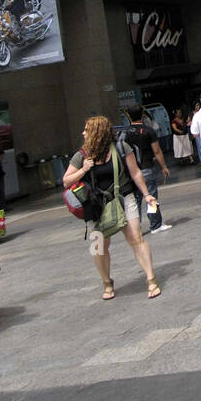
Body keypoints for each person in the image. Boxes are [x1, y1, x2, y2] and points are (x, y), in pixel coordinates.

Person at [64, 116, 161, 300]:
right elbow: (66, 181)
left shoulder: (121, 148)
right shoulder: (81, 155)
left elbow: (135, 172)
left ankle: (151, 279)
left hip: (124, 198)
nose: (82, 133)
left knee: (136, 239)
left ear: (96, 132)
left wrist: (147, 194)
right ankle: (107, 283)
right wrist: (83, 169)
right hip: (96, 205)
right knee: (98, 246)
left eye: (86, 129)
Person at [124, 104, 171, 234]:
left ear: (129, 115)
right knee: (151, 196)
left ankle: (135, 228)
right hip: (147, 168)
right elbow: (156, 151)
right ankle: (156, 225)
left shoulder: (126, 133)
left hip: (132, 171)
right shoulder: (149, 131)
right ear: (143, 114)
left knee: (136, 200)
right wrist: (164, 166)